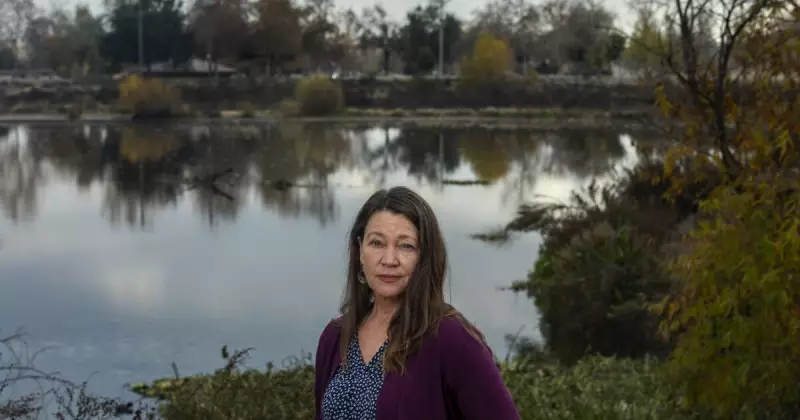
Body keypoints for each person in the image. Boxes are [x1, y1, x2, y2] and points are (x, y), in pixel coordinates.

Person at [314, 186, 521, 420]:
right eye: (377, 243)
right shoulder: (335, 337)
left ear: (423, 257)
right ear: (360, 250)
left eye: (405, 246)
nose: (389, 260)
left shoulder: (451, 340)